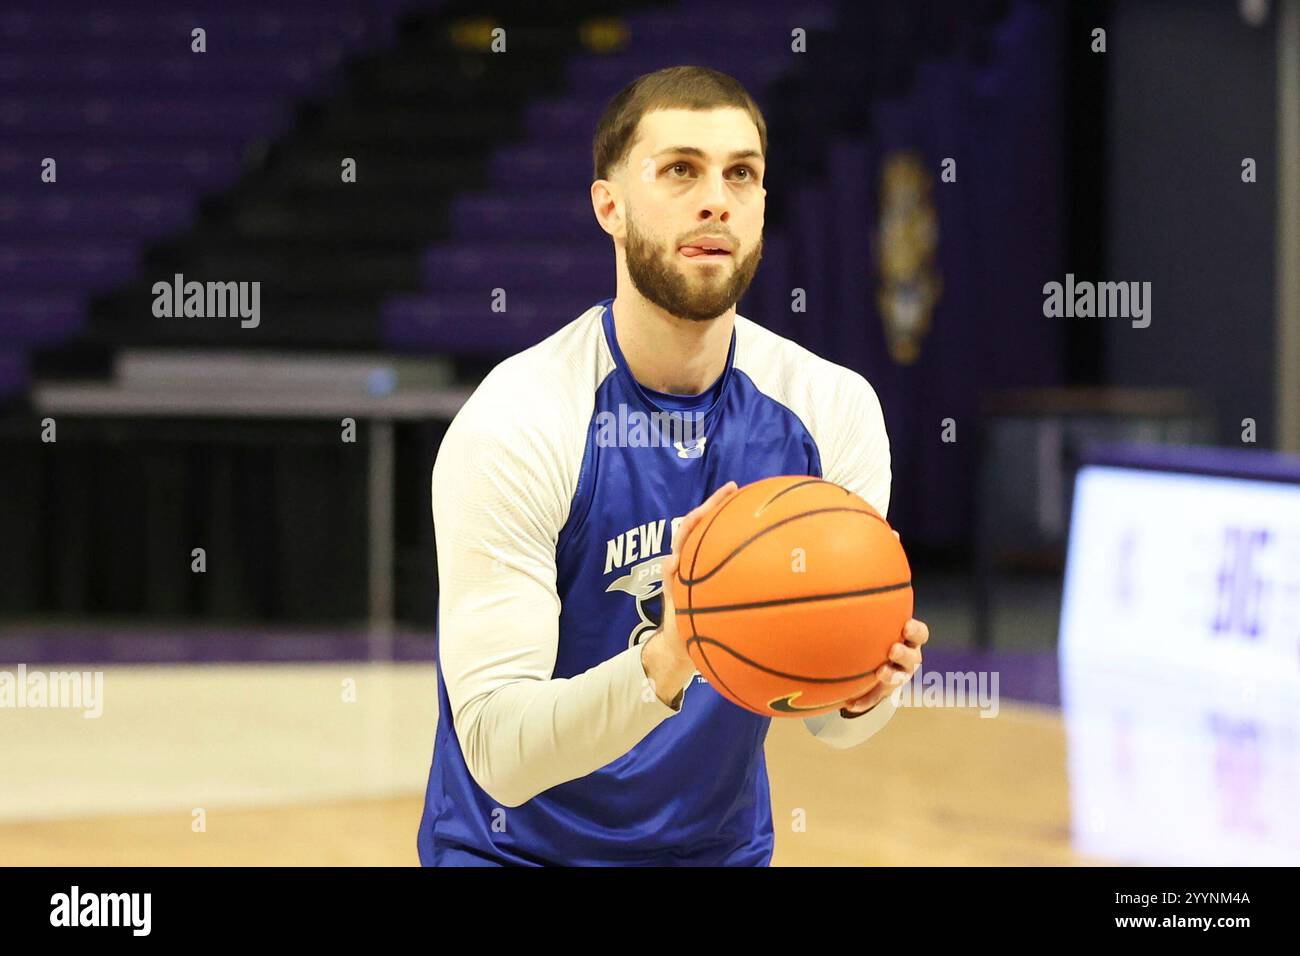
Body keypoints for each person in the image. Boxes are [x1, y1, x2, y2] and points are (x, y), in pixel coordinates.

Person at [417, 65, 929, 866]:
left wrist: (866, 686)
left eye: (742, 175)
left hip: (713, 852)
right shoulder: (520, 419)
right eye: (681, 170)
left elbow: (832, 726)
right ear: (608, 206)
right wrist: (670, 652)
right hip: (513, 853)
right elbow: (498, 753)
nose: (716, 198)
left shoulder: (830, 410)